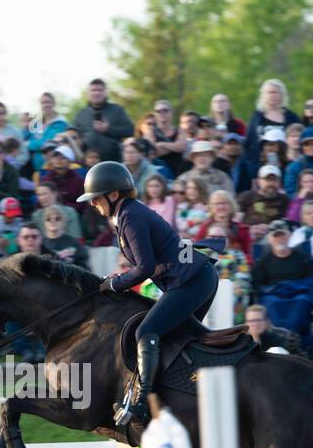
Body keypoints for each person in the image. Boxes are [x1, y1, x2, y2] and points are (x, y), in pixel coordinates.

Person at [80, 160, 219, 425]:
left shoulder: (130, 215)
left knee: (146, 331)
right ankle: (183, 395)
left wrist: (114, 284)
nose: (92, 204)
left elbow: (144, 268)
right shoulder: (126, 214)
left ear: (112, 194)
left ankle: (142, 402)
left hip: (193, 281)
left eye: (96, 199)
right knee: (175, 337)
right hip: (193, 279)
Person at [71, 79, 134, 163]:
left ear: (105, 92)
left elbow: (130, 130)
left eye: (100, 90)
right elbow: (74, 137)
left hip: (113, 162)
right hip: (87, 165)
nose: (97, 93)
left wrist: (108, 129)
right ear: (88, 94)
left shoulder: (117, 110)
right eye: (93, 90)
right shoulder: (81, 114)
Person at [247, 79, 300, 144]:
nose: (272, 95)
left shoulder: (291, 117)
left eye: (275, 92)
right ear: (263, 95)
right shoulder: (256, 117)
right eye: (269, 92)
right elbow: (249, 140)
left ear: (281, 95)